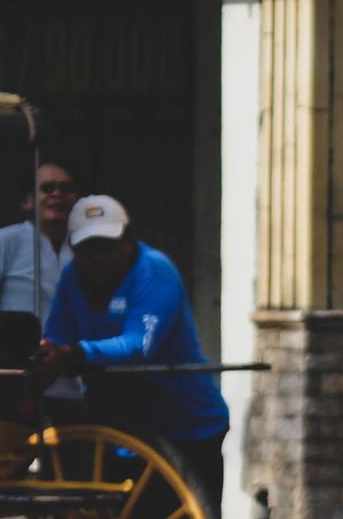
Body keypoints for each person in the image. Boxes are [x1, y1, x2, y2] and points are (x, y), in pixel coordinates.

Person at [30, 196, 232, 503]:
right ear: (74, 248)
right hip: (121, 427)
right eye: (88, 248)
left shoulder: (153, 269)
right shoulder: (72, 277)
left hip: (186, 426)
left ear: (128, 240)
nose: (98, 257)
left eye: (107, 246)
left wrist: (75, 355)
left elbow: (139, 344)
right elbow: (58, 333)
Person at [0, 161, 77, 382]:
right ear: (29, 201)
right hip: (19, 375)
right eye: (48, 188)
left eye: (66, 189)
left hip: (74, 377)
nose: (57, 194)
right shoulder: (7, 240)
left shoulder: (87, 247)